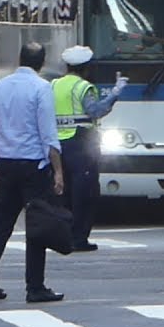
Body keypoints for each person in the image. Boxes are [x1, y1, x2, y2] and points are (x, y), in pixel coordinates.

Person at [0, 42, 65, 303]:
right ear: (41, 62)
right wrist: (58, 170)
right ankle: (35, 286)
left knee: (2, 224)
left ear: (20, 59)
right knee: (36, 226)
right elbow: (48, 134)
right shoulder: (41, 88)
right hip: (33, 165)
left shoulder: (0, 86)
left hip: (6, 162)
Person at [51, 46, 125, 252]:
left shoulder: (54, 85)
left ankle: (63, 236)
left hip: (57, 143)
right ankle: (79, 238)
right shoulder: (83, 87)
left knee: (62, 192)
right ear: (86, 68)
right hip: (80, 143)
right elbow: (96, 111)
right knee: (85, 192)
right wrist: (115, 93)